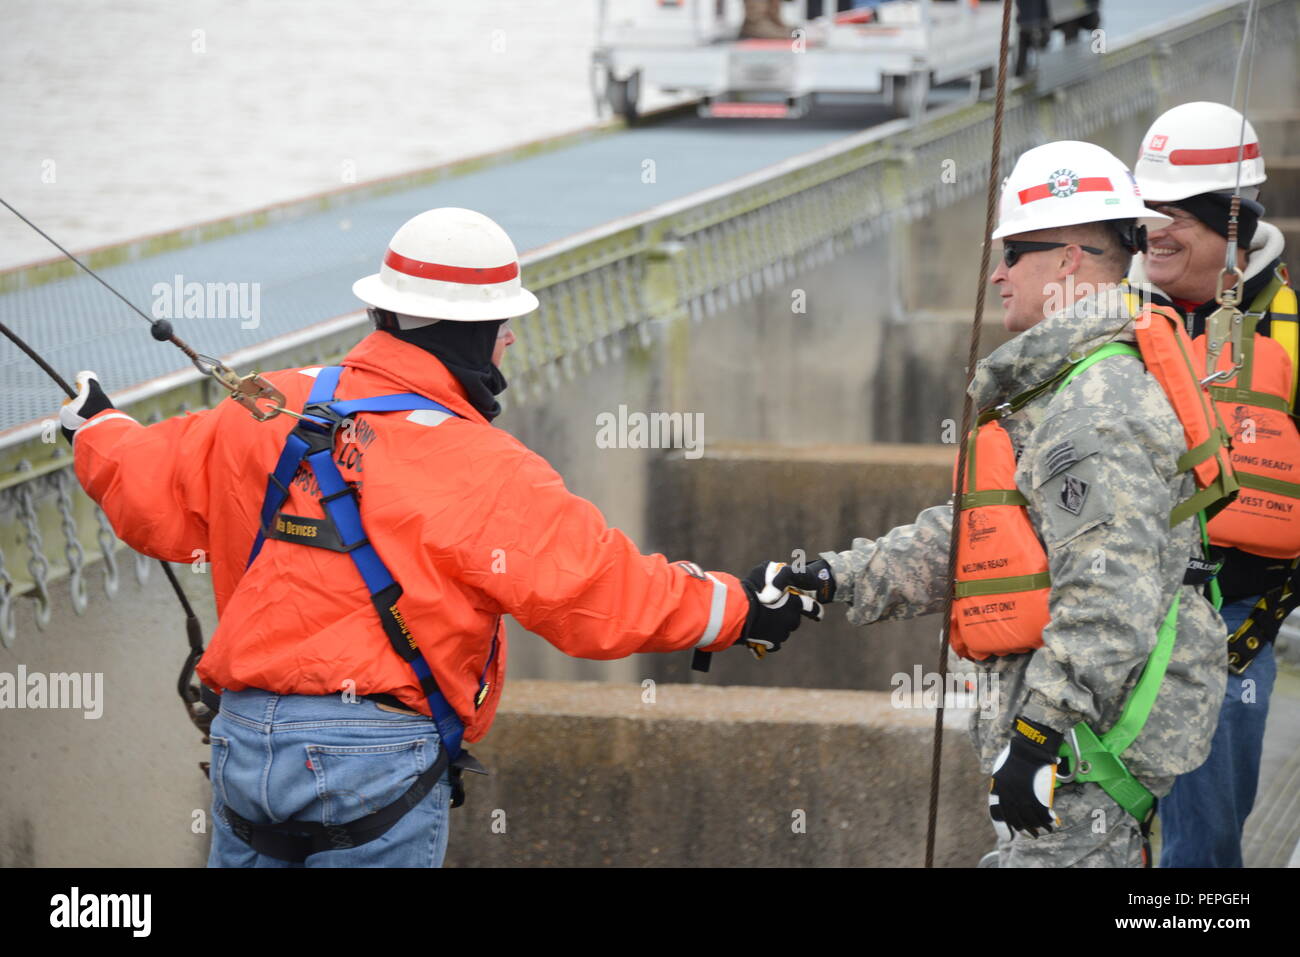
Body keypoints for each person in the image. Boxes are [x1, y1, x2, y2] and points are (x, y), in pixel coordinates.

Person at [57, 207, 821, 868]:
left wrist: (96, 426)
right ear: (469, 333)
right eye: (502, 325)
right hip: (373, 763)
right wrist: (738, 607)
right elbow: (599, 592)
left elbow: (145, 486)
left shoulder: (270, 405)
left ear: (384, 314)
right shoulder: (483, 467)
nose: (511, 342)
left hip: (245, 744)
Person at [755, 142, 1233, 867]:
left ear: (1070, 259)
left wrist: (1041, 733)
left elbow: (1109, 598)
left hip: (1081, 767)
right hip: (1068, 765)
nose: (997, 273)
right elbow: (979, 533)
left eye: (1014, 252)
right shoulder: (1064, 388)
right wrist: (830, 577)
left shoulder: (1097, 408)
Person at [1130, 101, 1300, 868]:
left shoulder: (1290, 327)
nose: (1151, 233)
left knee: (1201, 857)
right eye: (1143, 213)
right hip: (1110, 621)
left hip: (1233, 627)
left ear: (1230, 225)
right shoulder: (1110, 313)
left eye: (1172, 216)